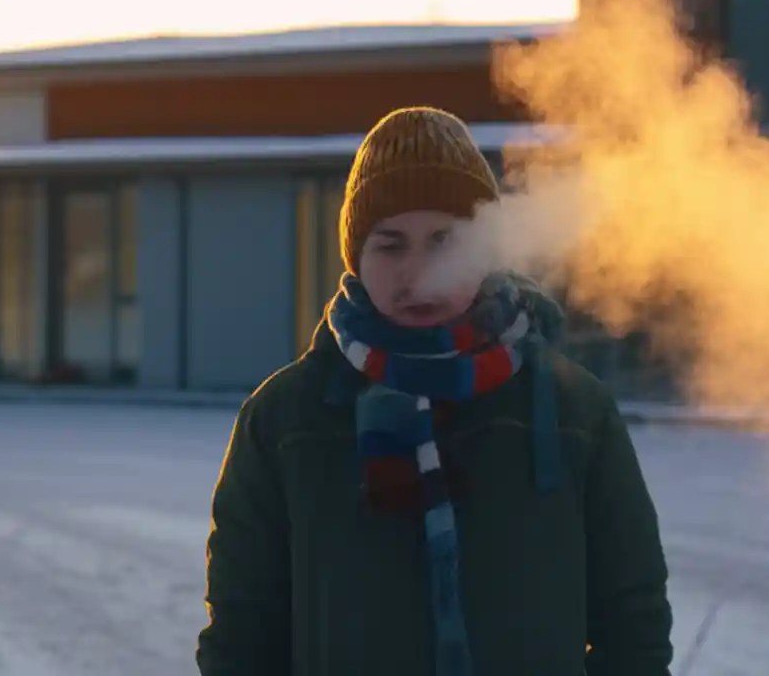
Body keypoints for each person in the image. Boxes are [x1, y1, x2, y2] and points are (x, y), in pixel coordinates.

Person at [196, 106, 672, 676]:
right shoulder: (284, 419)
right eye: (391, 245)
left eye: (444, 241)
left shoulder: (575, 410)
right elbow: (243, 634)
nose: (417, 272)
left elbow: (632, 620)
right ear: (357, 255)